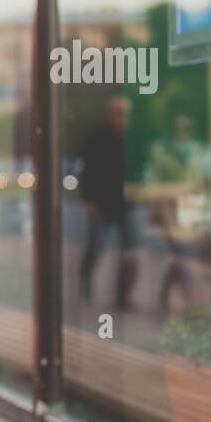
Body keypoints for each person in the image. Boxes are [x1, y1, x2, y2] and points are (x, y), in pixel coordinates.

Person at [78, 95, 139, 311]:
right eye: (117, 113)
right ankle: (85, 284)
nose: (121, 118)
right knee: (96, 247)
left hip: (127, 203)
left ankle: (123, 297)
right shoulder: (95, 140)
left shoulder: (133, 140)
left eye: (125, 114)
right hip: (103, 202)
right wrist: (89, 200)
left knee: (130, 253)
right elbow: (87, 173)